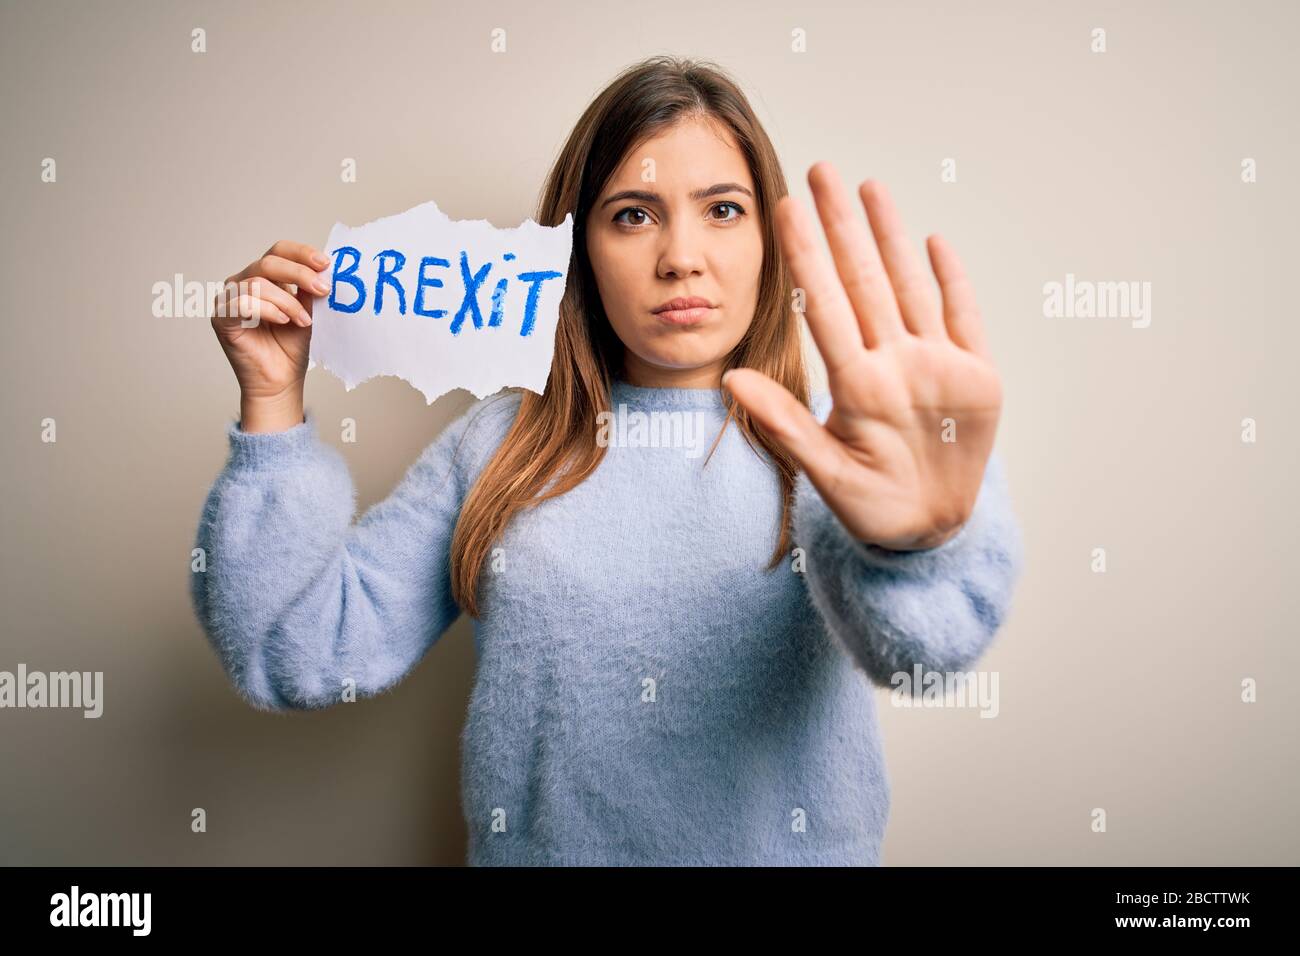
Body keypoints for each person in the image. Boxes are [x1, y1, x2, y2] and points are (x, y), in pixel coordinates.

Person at [191, 55, 1023, 866]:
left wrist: (916, 547)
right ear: (577, 250)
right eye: (633, 213)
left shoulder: (845, 450)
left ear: (769, 236)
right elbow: (293, 654)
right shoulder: (499, 448)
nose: (680, 257)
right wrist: (272, 406)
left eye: (723, 209)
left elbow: (922, 656)